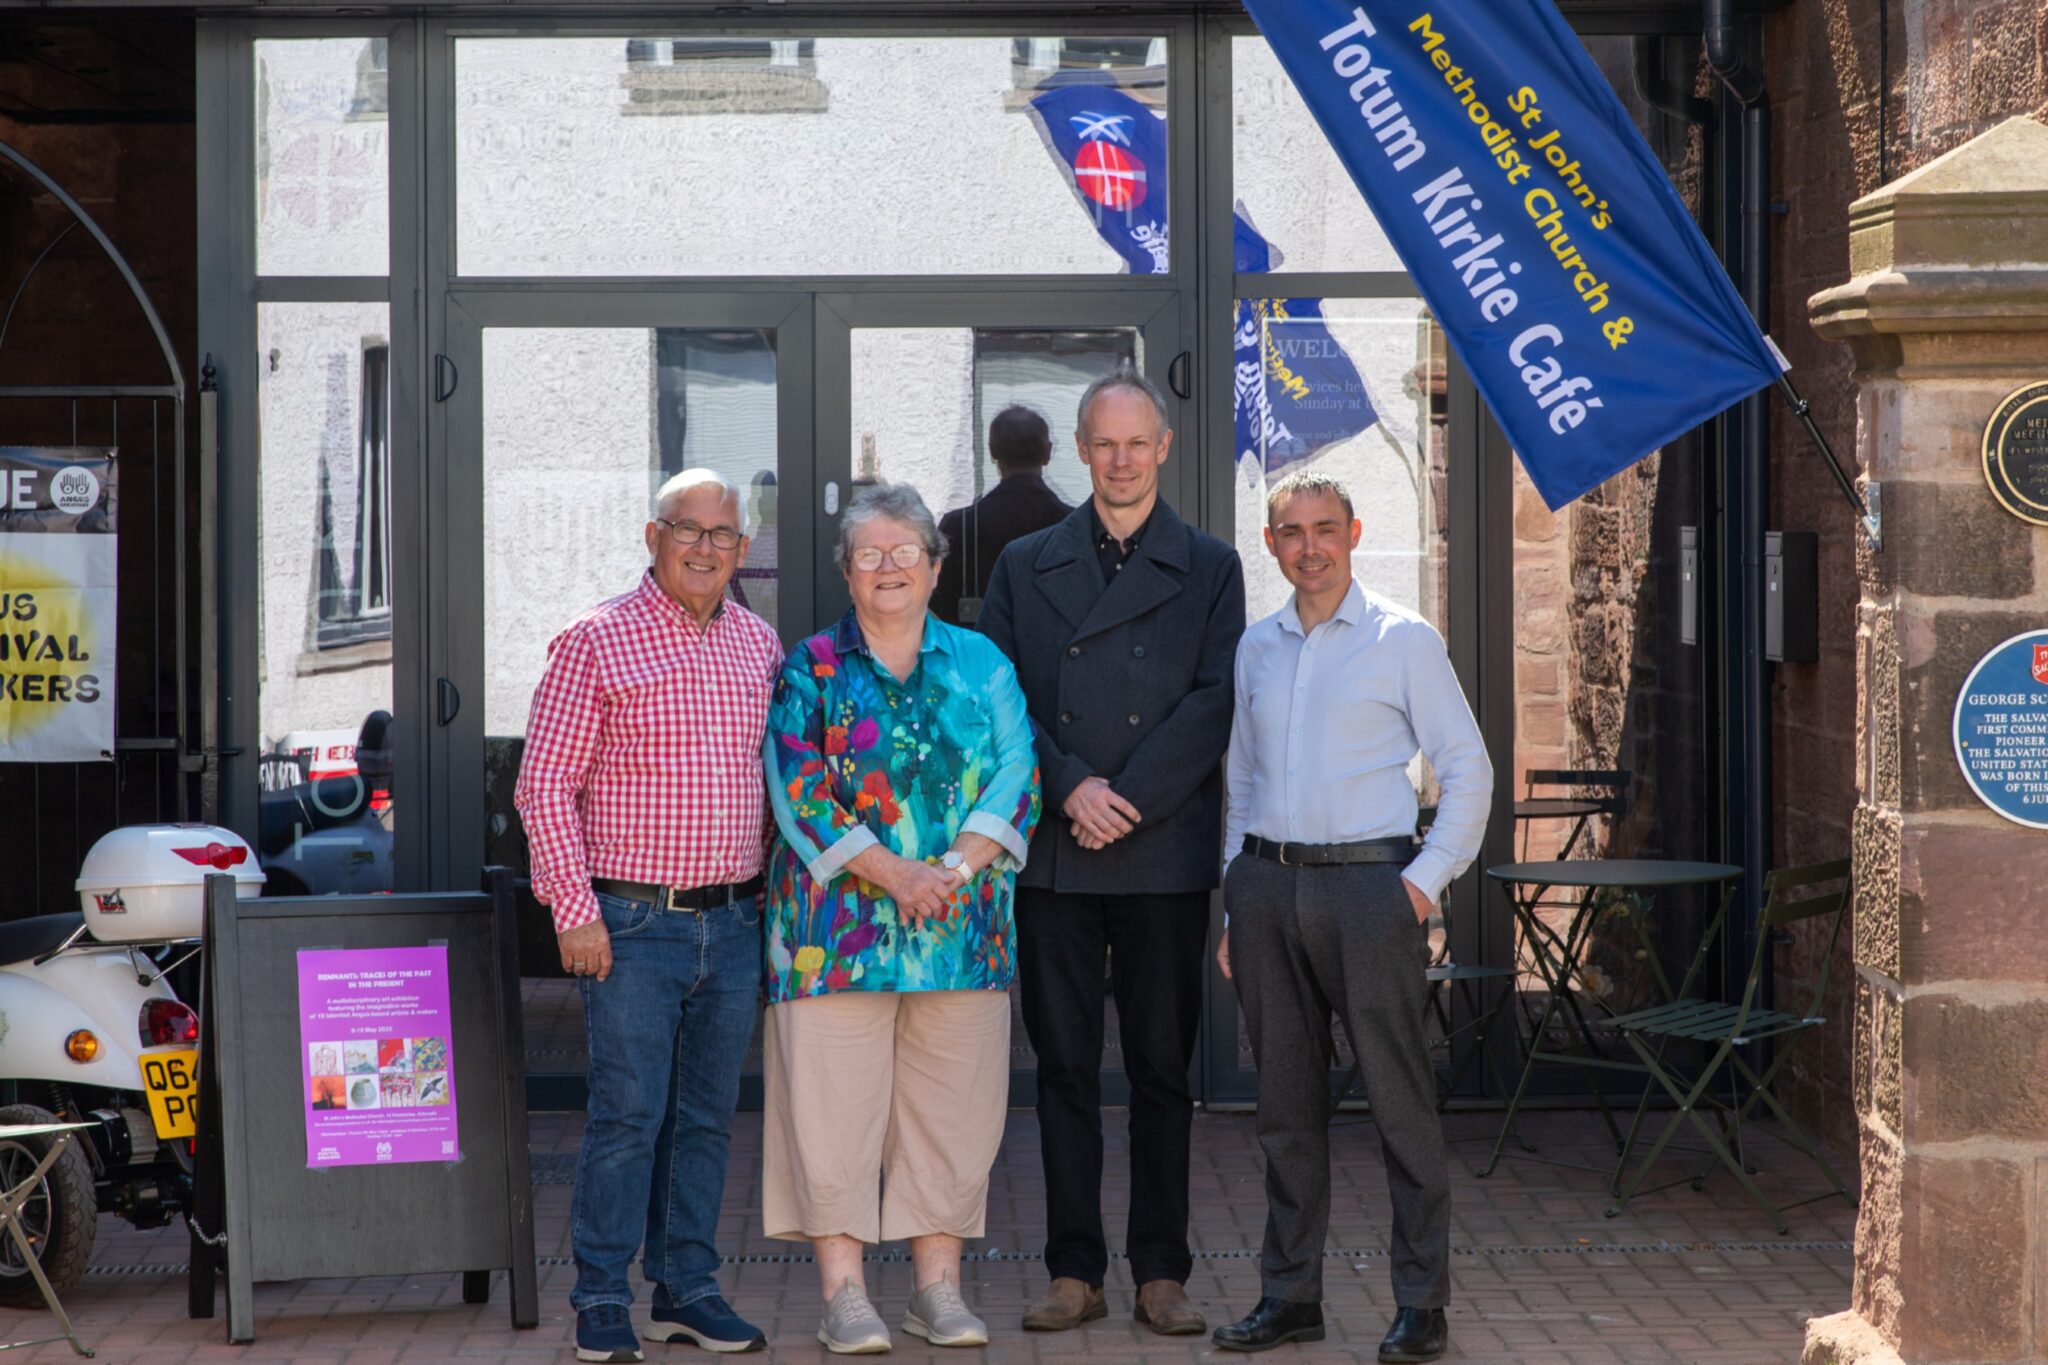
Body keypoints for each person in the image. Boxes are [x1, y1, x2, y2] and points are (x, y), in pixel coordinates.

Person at [978, 368, 1245, 1337]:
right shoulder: (1024, 563)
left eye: (1137, 443)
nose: (1121, 459)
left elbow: (1214, 699)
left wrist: (1126, 795)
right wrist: (1068, 786)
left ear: (1162, 448)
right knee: (1059, 1069)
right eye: (1104, 443)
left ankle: (1160, 1271)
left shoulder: (1209, 565)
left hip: (1159, 850)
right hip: (1057, 851)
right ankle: (1072, 1270)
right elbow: (998, 701)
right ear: (1078, 451)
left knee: (1161, 1070)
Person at [1210, 470, 1491, 1364]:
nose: (1309, 546)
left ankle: (1423, 1306)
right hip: (1265, 890)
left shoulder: (1404, 640)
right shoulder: (1257, 648)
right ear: (1271, 544)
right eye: (1290, 532)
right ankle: (1290, 1296)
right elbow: (1241, 781)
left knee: (1400, 1104)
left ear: (1355, 532)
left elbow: (1469, 771)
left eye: (1324, 528)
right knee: (1285, 1111)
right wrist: (1234, 893)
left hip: (1371, 890)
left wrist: (1422, 883)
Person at [761, 482, 1042, 1355]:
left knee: (950, 1114)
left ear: (934, 565)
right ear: (847, 571)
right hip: (832, 940)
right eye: (869, 554)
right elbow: (796, 786)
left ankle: (936, 1288)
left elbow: (1018, 771)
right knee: (832, 1114)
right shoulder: (808, 667)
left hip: (962, 932)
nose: (888, 568)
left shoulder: (982, 661)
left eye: (904, 552)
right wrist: (894, 873)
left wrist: (949, 870)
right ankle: (843, 1295)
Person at [514, 469, 784, 1364]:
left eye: (724, 535)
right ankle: (599, 1296)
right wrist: (573, 909)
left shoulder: (759, 645)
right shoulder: (597, 640)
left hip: (733, 923)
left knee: (706, 1117)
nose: (707, 547)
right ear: (653, 535)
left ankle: (686, 1289)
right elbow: (543, 784)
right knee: (628, 1116)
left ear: (745, 550)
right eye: (689, 530)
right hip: (630, 922)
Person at [931, 404, 1073, 628]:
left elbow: (936, 601)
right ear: (1047, 453)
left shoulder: (958, 527)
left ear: (992, 452)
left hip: (978, 655)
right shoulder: (1075, 525)